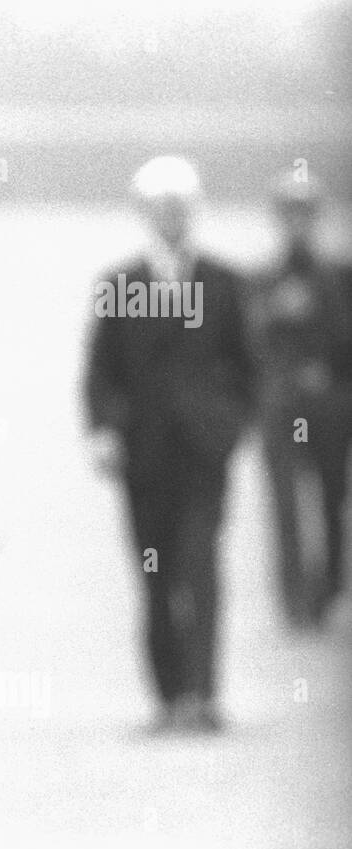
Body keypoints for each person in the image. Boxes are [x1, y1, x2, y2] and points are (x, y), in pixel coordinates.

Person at [84, 156, 253, 735]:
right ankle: (168, 698)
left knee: (201, 570)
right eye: (160, 207)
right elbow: (101, 371)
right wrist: (105, 431)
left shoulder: (226, 284)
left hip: (205, 459)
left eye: (180, 205)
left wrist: (229, 430)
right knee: (154, 575)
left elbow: (246, 368)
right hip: (144, 459)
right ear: (144, 214)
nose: (171, 217)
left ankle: (204, 698)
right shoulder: (119, 286)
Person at [250, 174, 352, 632]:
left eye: (304, 214)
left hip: (330, 409)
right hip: (281, 408)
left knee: (332, 503)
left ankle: (328, 593)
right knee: (285, 507)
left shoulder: (339, 278)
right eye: (288, 215)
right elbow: (250, 344)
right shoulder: (261, 281)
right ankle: (293, 601)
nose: (297, 223)